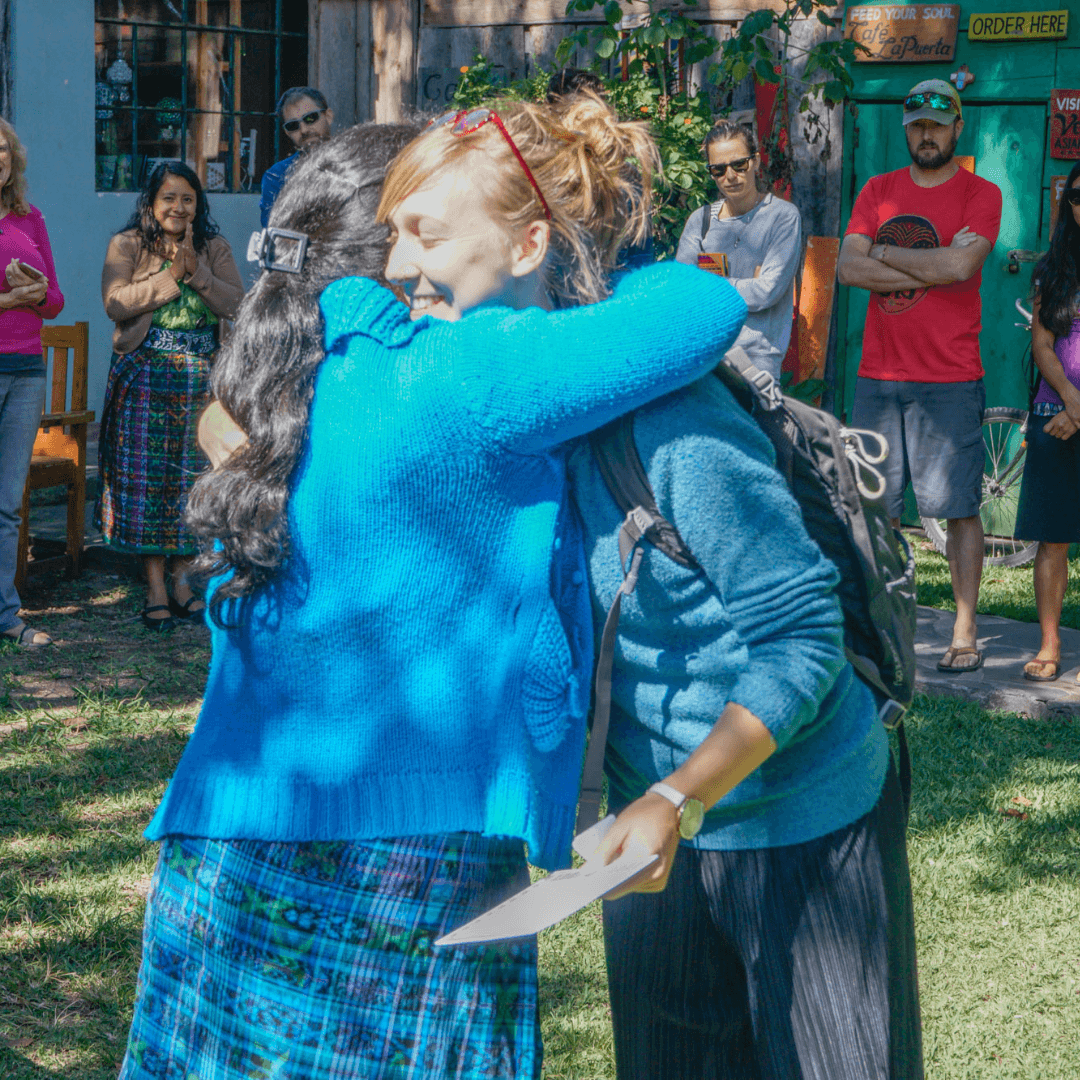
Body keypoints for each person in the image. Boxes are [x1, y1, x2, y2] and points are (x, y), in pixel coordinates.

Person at [119, 106, 747, 1080]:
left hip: (221, 848)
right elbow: (702, 310)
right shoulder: (471, 375)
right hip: (408, 864)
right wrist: (570, 267)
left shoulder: (287, 378)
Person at [569, 379, 922, 1078]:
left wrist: (676, 797)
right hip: (650, 843)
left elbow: (801, 638)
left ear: (529, 259)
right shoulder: (513, 426)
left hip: (807, 815)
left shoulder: (676, 425)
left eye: (429, 257)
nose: (409, 272)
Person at [837, 79, 1002, 673]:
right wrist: (924, 265)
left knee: (957, 506)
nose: (926, 133)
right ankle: (880, 628)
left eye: (938, 122)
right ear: (906, 129)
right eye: (917, 123)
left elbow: (963, 264)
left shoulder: (980, 193)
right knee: (871, 508)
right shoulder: (878, 190)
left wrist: (884, 253)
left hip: (949, 376)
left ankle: (963, 631)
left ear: (958, 127)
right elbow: (848, 269)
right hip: (878, 377)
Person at [97, 162, 243, 631]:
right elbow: (115, 302)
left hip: (199, 378)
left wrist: (197, 273)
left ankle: (184, 582)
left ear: (198, 206)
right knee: (145, 483)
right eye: (169, 198)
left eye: (188, 199)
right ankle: (156, 586)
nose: (178, 207)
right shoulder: (127, 245)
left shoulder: (213, 248)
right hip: (144, 375)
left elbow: (237, 304)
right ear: (151, 203)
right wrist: (168, 279)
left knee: (189, 481)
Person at [1013, 161, 1080, 682]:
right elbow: (1042, 345)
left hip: (1071, 414)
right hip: (1054, 413)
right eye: (1077, 196)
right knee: (1053, 538)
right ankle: (1050, 643)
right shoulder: (1052, 270)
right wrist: (1071, 402)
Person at [0, 118, 63, 648]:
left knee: (7, 503)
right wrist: (9, 300)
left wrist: (37, 294)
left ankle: (5, 614)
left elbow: (56, 301)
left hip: (24, 371)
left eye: (3, 151)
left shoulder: (30, 217)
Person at [675, 119, 802, 381]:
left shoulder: (782, 216)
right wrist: (745, 285)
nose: (730, 176)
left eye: (739, 165)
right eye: (718, 169)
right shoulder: (700, 221)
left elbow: (767, 291)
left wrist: (709, 286)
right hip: (705, 360)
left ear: (755, 161)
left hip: (757, 366)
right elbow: (684, 290)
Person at [259, 86, 333, 227]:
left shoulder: (352, 163)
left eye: (310, 118)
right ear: (287, 133)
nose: (304, 130)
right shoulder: (276, 176)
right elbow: (275, 232)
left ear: (328, 116)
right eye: (293, 125)